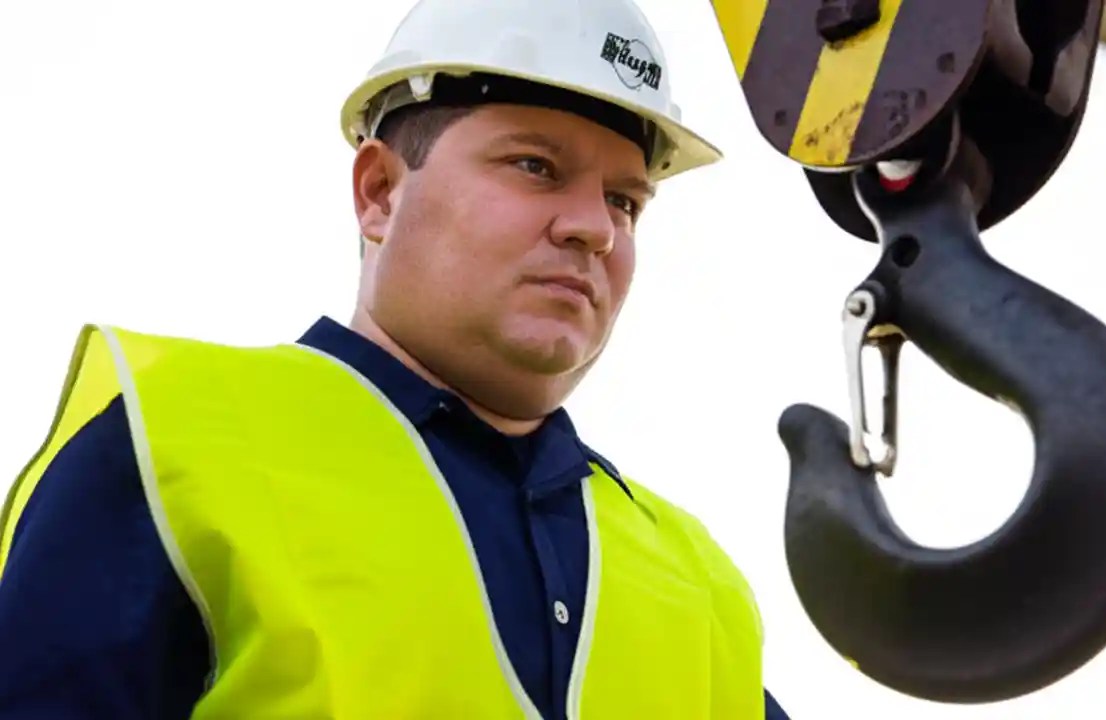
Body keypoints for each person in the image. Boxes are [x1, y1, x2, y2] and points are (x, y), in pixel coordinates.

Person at [0, 0, 792, 717]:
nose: (596, 228)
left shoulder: (704, 591)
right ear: (379, 191)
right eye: (535, 167)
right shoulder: (175, 448)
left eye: (625, 200)